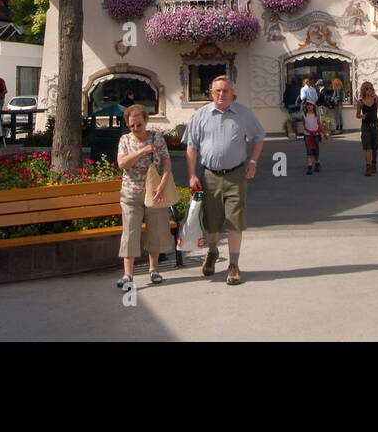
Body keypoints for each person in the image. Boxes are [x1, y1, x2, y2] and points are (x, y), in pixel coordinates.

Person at [184, 76, 266, 286]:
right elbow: (191, 146)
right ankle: (212, 252)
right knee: (211, 223)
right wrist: (192, 174)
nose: (221, 95)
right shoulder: (200, 115)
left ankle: (234, 265)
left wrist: (253, 161)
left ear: (232, 93)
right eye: (217, 91)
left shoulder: (243, 114)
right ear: (211, 93)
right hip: (209, 175)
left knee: (234, 220)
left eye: (225, 91)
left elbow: (258, 137)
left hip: (236, 175)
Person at [114, 105, 174, 288]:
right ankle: (128, 274)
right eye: (132, 125)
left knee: (155, 229)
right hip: (131, 193)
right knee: (130, 231)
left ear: (146, 121)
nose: (136, 129)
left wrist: (163, 184)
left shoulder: (157, 137)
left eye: (139, 124)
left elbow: (166, 162)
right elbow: (122, 163)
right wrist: (142, 151)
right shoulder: (125, 140)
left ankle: (154, 270)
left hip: (154, 191)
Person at [356, 81, 378, 175]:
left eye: (370, 88)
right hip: (366, 126)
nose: (369, 90)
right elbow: (357, 114)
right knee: (367, 147)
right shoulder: (361, 102)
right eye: (367, 89)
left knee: (375, 147)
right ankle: (368, 167)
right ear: (363, 90)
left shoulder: (375, 99)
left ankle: (374, 163)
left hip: (374, 125)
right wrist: (361, 116)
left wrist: (377, 98)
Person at [302, 100, 325, 174]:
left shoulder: (316, 115)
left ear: (313, 106)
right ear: (306, 106)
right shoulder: (304, 115)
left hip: (315, 135)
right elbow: (304, 124)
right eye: (308, 105)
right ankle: (309, 166)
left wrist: (324, 133)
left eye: (311, 105)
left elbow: (319, 125)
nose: (309, 106)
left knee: (316, 150)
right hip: (307, 135)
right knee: (309, 150)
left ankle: (317, 163)